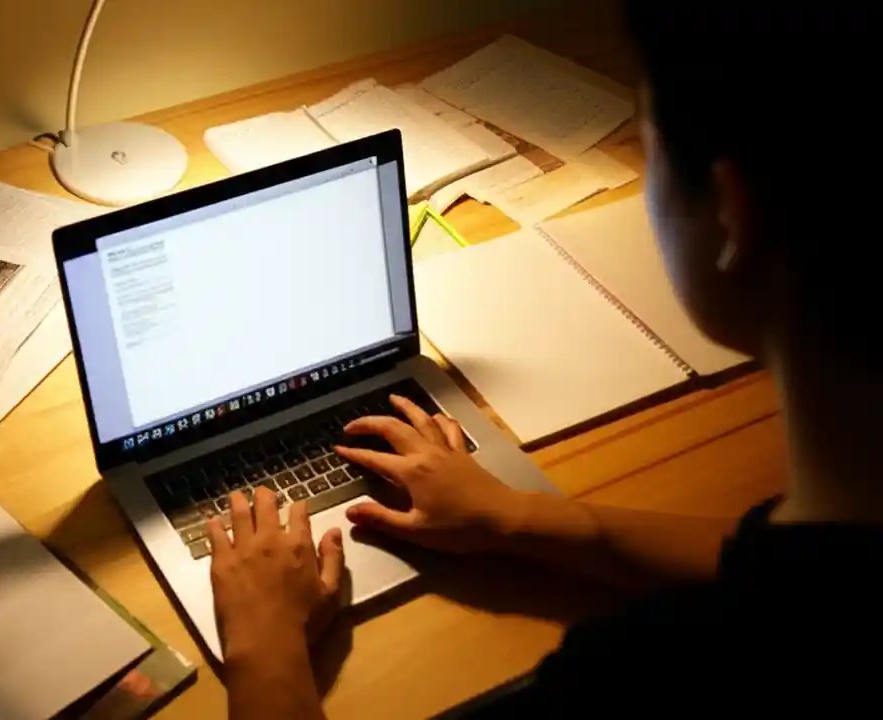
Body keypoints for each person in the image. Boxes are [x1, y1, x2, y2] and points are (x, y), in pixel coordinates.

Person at [204, 2, 881, 717]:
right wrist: (514, 517)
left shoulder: (642, 670)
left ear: (732, 211)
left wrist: (264, 642)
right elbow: (773, 562)